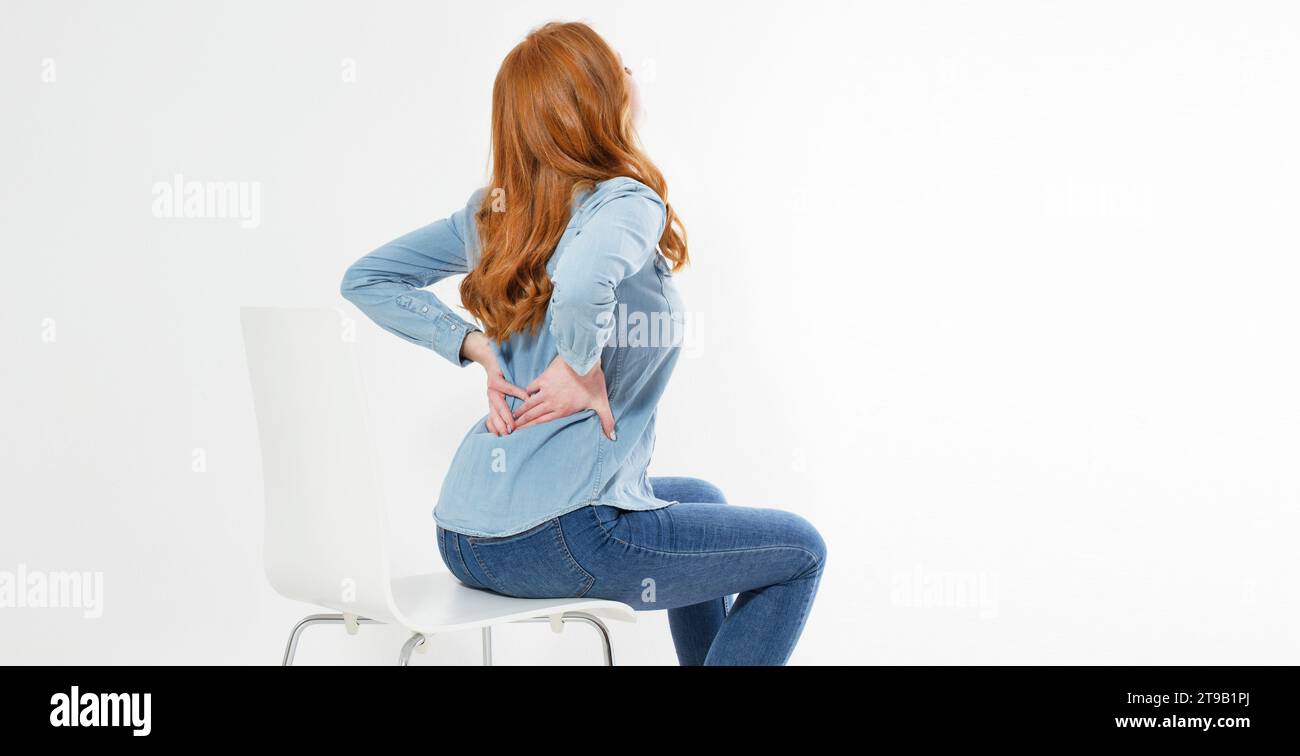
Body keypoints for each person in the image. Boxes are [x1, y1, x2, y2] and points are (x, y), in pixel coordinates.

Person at [341, 21, 825, 665]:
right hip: (563, 537)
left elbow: (367, 278)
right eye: (619, 66)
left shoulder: (497, 212)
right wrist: (577, 364)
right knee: (801, 552)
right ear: (595, 101)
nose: (631, 75)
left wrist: (472, 346)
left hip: (466, 536)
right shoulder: (624, 201)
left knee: (702, 498)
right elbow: (579, 283)